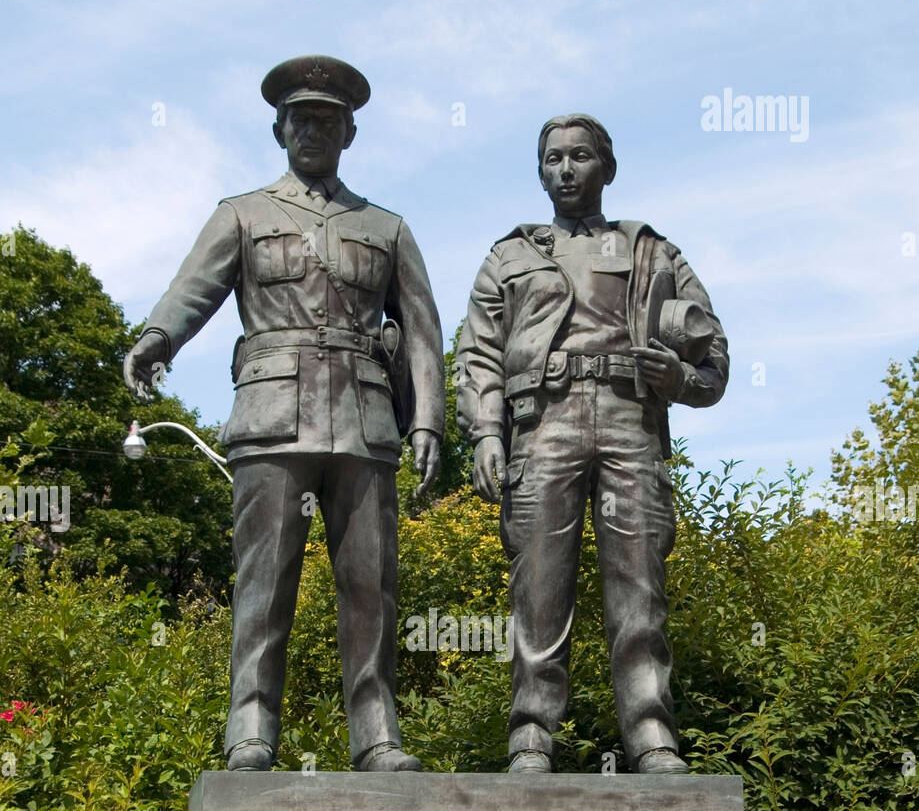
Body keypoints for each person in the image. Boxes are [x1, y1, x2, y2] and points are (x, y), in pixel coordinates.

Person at [124, 55, 444, 772]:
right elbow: (193, 289)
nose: (312, 130)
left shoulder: (386, 227)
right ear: (279, 130)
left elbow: (423, 332)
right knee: (263, 585)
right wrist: (156, 338)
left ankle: (377, 735)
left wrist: (427, 419)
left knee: (371, 589)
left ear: (349, 134)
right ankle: (250, 728)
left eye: (327, 120)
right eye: (300, 119)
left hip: (364, 423)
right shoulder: (241, 215)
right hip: (270, 420)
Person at [455, 113, 728, 774]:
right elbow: (478, 354)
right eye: (552, 159)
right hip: (542, 422)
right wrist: (486, 431)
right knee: (537, 589)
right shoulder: (510, 256)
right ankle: (530, 737)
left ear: (606, 166)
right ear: (540, 172)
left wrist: (678, 377)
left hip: (631, 420)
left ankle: (651, 735)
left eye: (579, 156)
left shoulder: (651, 252)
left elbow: (714, 360)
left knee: (640, 588)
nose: (565, 169)